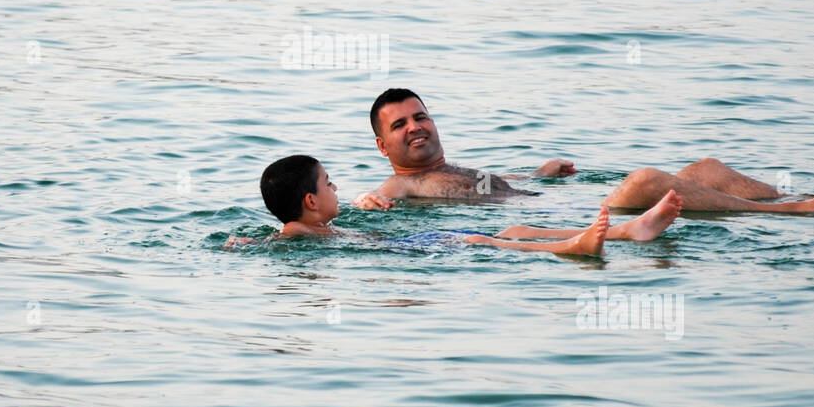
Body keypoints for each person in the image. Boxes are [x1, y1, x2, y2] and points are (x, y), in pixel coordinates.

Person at [353, 88, 814, 218]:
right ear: (384, 146)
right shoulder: (399, 185)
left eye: (421, 115)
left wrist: (539, 173)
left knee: (706, 167)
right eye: (400, 125)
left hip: (551, 202)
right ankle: (800, 213)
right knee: (643, 179)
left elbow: (497, 183)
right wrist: (366, 202)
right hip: (566, 221)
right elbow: (371, 202)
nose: (415, 126)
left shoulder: (454, 168)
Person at [228, 154, 613, 256]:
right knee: (481, 241)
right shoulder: (297, 235)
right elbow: (280, 242)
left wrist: (245, 245)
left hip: (412, 243)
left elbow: (268, 243)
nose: (336, 187)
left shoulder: (315, 229)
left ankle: (620, 231)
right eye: (329, 183)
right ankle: (576, 246)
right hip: (411, 249)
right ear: (311, 201)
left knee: (514, 231)